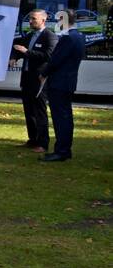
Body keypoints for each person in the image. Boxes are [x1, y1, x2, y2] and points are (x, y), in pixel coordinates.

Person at [38, 13, 85, 162]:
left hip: (60, 82)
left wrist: (44, 73)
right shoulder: (78, 36)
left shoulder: (68, 38)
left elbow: (56, 60)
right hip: (67, 82)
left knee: (61, 118)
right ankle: (64, 149)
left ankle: (62, 151)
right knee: (65, 117)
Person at [13, 9, 56, 153]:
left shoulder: (50, 36)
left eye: (34, 19)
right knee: (29, 111)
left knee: (40, 112)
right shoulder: (29, 36)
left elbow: (49, 56)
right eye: (30, 18)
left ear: (43, 20)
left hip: (39, 80)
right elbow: (19, 49)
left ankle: (43, 144)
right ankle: (32, 140)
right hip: (26, 79)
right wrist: (15, 57)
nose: (30, 21)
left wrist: (26, 52)